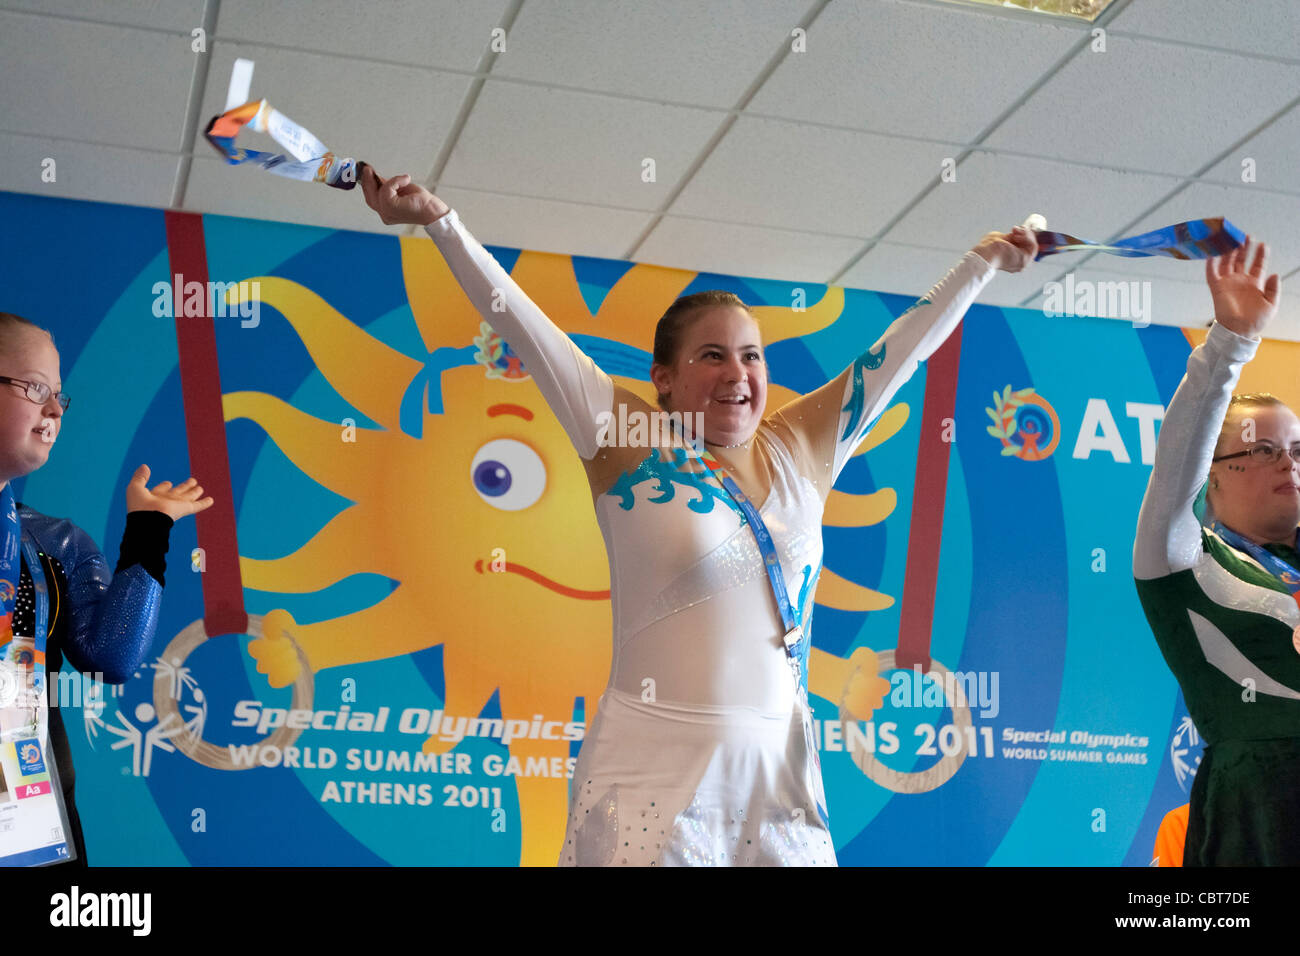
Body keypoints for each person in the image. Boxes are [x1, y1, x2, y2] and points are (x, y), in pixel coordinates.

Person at [361, 166, 1035, 865]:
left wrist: (982, 263)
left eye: (750, 356)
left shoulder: (802, 446)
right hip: (649, 763)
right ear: (663, 377)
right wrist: (439, 224)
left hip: (778, 766)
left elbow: (902, 350)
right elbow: (518, 321)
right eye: (711, 356)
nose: (737, 374)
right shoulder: (620, 436)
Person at [0, 312, 212, 866]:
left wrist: (150, 530)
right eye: (35, 387)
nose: (53, 410)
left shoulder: (53, 542)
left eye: (60, 396)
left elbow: (111, 657)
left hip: (26, 823)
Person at [1133, 238, 1300, 866]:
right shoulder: (1181, 559)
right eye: (1263, 448)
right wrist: (1229, 343)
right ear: (1215, 472)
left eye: (1298, 449)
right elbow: (1174, 467)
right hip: (1258, 814)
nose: (1289, 462)